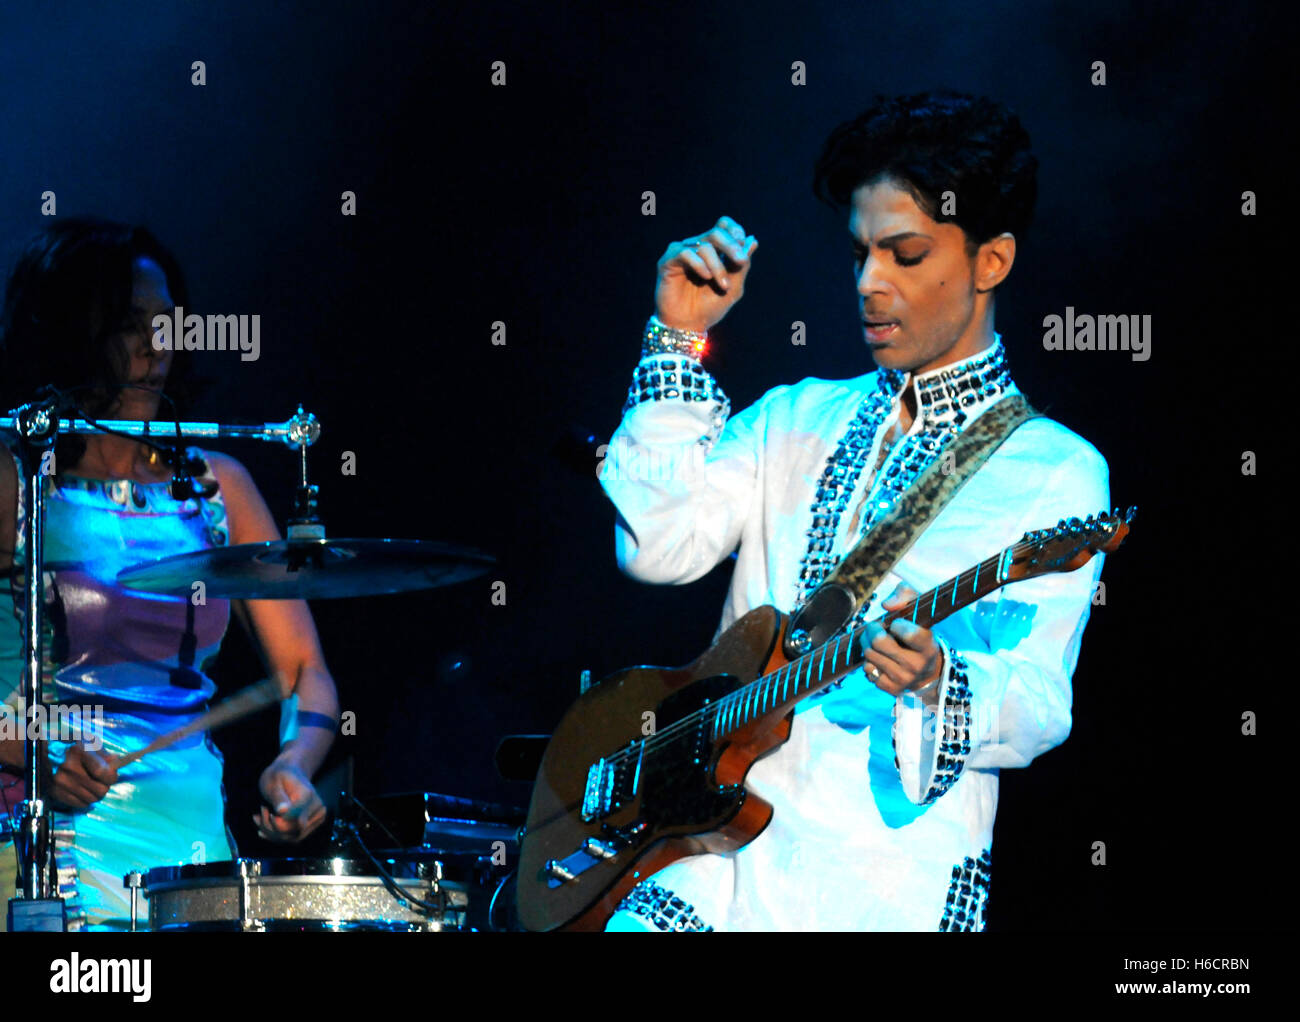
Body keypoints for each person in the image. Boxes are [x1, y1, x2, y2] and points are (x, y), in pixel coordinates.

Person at [598, 92, 1110, 931]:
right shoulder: (794, 416)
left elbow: (1039, 701)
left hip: (878, 882)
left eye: (905, 255)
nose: (870, 285)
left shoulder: (1054, 471)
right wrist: (676, 335)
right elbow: (657, 548)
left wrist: (941, 681)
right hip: (703, 855)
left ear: (993, 262)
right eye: (861, 254)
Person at [0, 217, 340, 930]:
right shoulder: (18, 479)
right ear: (75, 335)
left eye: (169, 324)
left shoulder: (220, 486)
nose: (157, 348)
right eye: (130, 325)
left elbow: (305, 670)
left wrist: (296, 763)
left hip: (190, 847)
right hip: (55, 839)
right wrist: (34, 752)